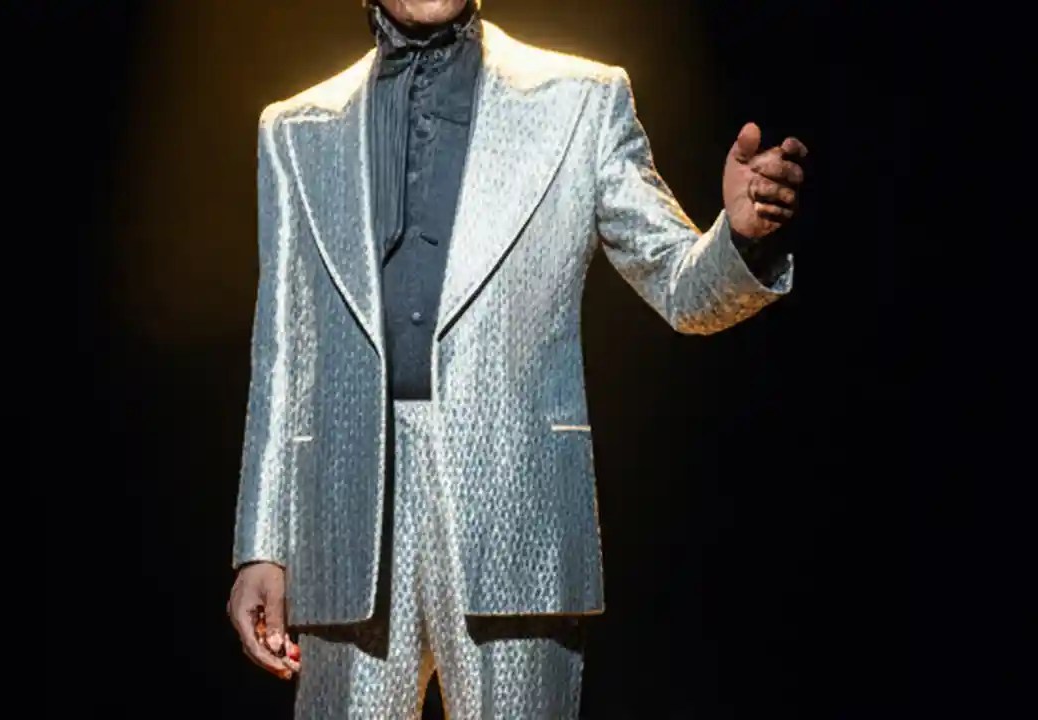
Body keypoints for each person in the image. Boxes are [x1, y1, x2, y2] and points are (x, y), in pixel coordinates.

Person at [228, 1, 808, 716]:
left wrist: (740, 237)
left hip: (516, 509)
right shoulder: (293, 130)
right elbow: (282, 352)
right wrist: (262, 544)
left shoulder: (582, 100)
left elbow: (681, 288)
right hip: (345, 519)